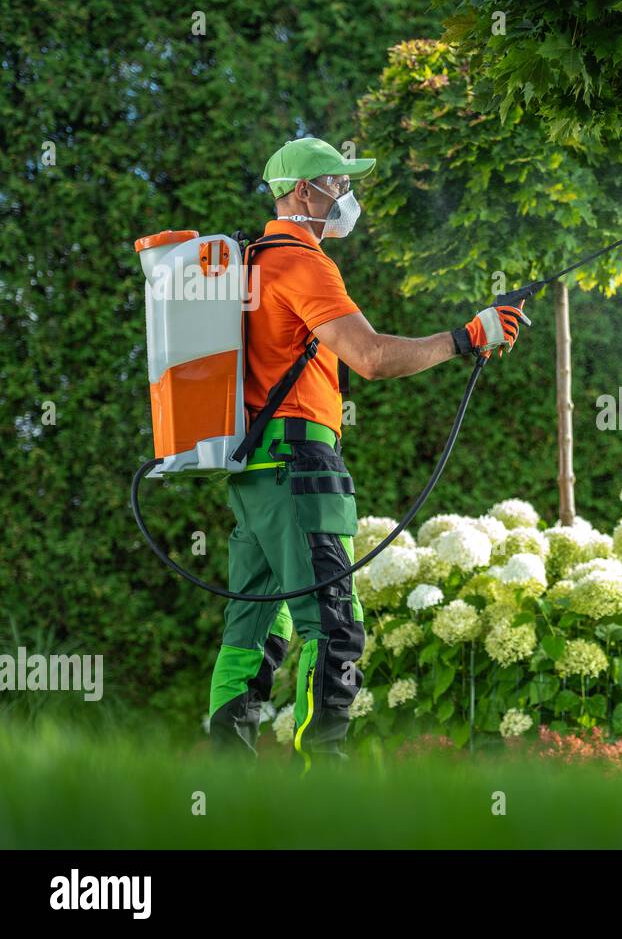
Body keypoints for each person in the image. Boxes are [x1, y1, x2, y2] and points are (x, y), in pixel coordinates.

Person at [208, 137, 531, 762]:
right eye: (337, 183)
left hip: (254, 476)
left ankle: (227, 786)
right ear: (304, 192)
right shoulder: (301, 262)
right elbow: (373, 357)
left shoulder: (251, 261)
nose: (345, 196)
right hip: (300, 470)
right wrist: (467, 337)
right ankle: (321, 789)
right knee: (332, 626)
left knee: (252, 630)